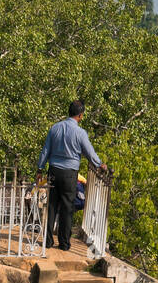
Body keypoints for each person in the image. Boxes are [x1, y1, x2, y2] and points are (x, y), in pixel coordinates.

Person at [37, 100, 107, 252]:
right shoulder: (80, 133)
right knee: (67, 208)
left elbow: (45, 151)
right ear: (80, 115)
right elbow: (89, 153)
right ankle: (64, 243)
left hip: (53, 171)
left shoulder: (55, 128)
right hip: (70, 174)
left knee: (52, 206)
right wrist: (99, 164)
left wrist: (39, 169)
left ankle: (47, 241)